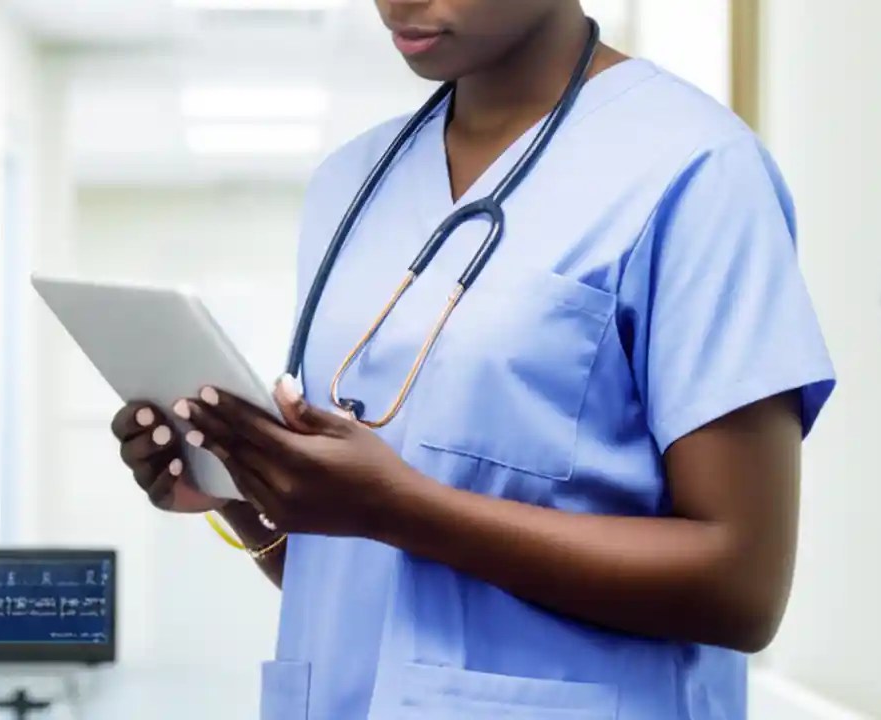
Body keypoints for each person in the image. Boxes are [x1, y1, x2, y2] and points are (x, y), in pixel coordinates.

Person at [108, 1, 835, 718]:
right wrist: (245, 487)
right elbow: (365, 580)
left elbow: (742, 589)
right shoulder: (351, 184)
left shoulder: (696, 169)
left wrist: (399, 510)